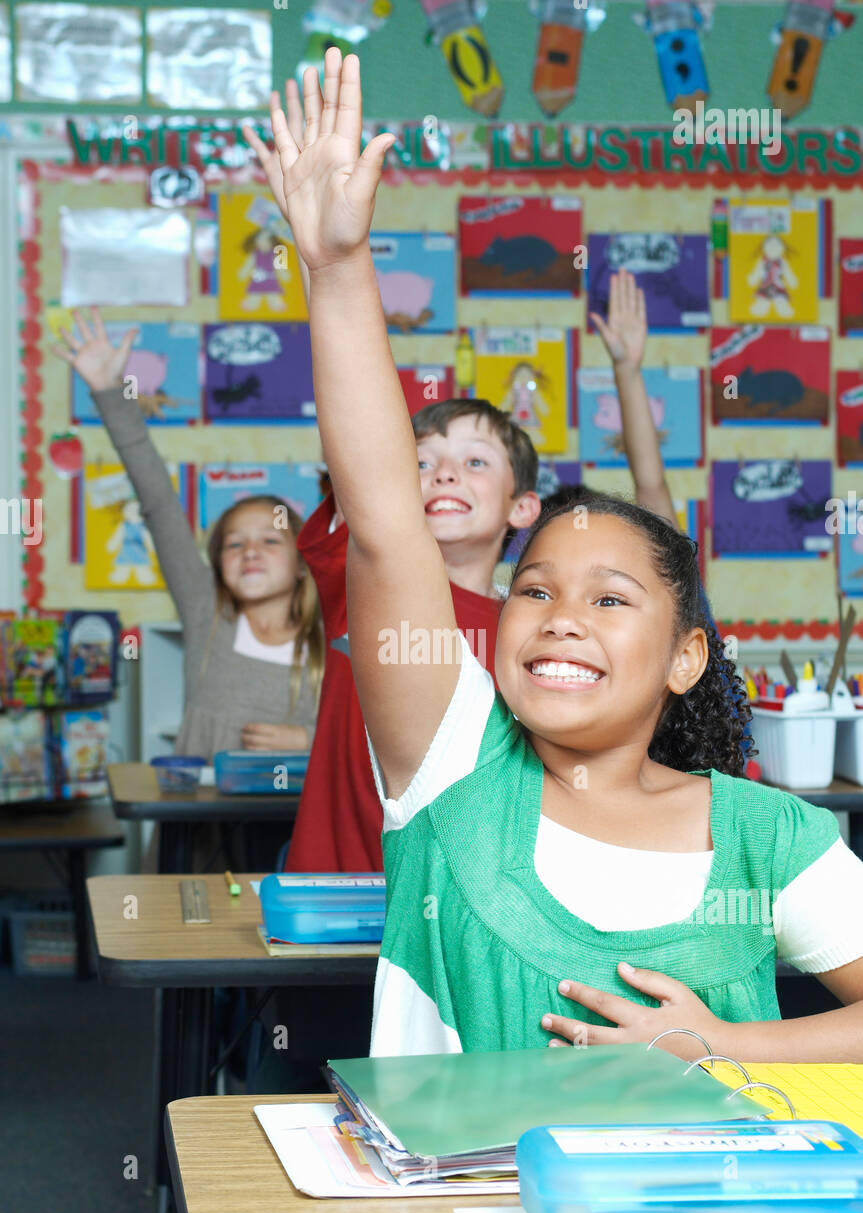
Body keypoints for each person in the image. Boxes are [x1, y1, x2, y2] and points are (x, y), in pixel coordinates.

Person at [254, 50, 863, 1062]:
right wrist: (333, 266)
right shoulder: (449, 767)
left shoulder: (768, 835)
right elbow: (384, 520)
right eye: (532, 588)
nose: (559, 613)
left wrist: (720, 1044)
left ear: (684, 656)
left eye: (610, 599)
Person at [53, 309, 324, 869]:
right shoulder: (209, 618)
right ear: (216, 564)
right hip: (198, 837)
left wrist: (308, 742)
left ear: (303, 561)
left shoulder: (331, 640)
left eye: (270, 541)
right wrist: (108, 390)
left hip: (294, 838)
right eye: (233, 544)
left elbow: (368, 741)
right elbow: (156, 499)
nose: (250, 551)